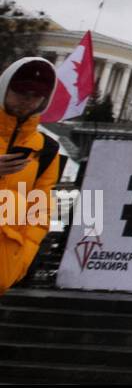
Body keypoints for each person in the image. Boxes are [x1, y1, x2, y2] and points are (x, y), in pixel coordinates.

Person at [0, 56, 61, 294]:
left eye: (36, 95)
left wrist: (19, 263)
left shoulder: (46, 149)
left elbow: (40, 211)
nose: (27, 100)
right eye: (21, 92)